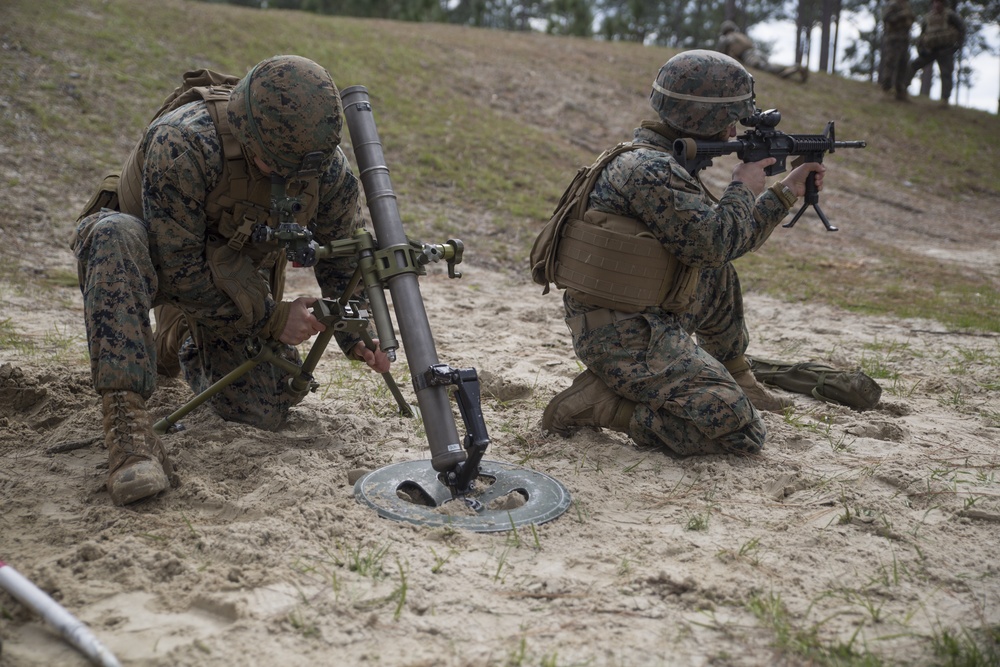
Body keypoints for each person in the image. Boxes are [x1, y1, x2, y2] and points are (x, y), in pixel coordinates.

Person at [72, 55, 390, 505]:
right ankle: (128, 435)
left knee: (264, 409)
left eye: (297, 174)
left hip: (231, 275)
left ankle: (179, 338)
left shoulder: (323, 168)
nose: (287, 181)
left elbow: (340, 261)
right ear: (244, 132)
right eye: (273, 168)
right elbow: (179, 268)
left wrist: (358, 334)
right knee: (113, 234)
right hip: (149, 263)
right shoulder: (183, 142)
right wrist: (272, 317)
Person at [539, 50, 826, 457]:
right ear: (705, 120)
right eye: (730, 118)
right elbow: (715, 243)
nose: (733, 130)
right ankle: (600, 405)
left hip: (639, 315)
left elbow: (721, 244)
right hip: (624, 335)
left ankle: (734, 371)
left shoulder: (657, 161)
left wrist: (784, 191)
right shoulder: (651, 171)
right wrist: (744, 186)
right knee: (738, 432)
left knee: (717, 273)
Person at [909, 0, 966, 106]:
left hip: (945, 50)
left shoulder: (950, 15)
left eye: (939, 2)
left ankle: (945, 100)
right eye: (935, 2)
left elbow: (961, 28)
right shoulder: (928, 18)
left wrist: (958, 46)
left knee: (946, 73)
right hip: (930, 50)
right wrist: (920, 49)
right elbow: (922, 35)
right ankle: (901, 89)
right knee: (914, 65)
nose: (937, 4)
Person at [717, 20, 808, 83]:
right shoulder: (740, 35)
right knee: (767, 64)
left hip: (748, 55)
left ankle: (791, 68)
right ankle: (788, 69)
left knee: (762, 67)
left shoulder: (727, 38)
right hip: (756, 52)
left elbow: (720, 53)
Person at [879, 0, 915, 101]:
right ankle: (886, 90)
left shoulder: (906, 6)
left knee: (903, 66)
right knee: (890, 64)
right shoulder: (893, 4)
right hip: (893, 40)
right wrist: (901, 15)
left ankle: (900, 92)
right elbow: (886, 18)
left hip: (904, 40)